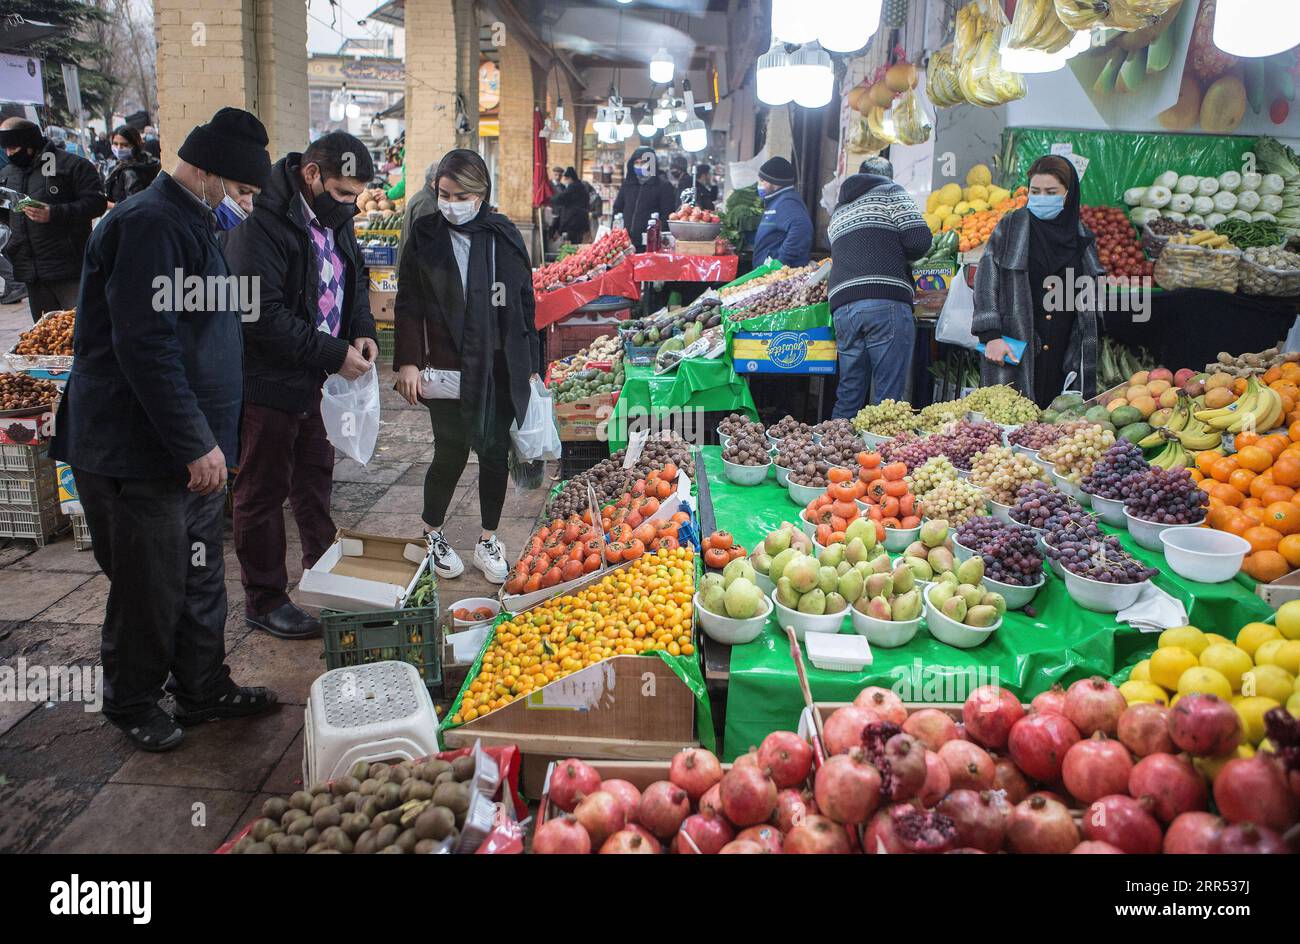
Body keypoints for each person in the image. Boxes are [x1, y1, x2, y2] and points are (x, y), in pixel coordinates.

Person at [49, 107, 276, 752]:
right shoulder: (149, 224)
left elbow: (206, 333)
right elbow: (145, 346)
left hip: (192, 451)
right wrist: (194, 441)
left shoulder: (197, 222)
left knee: (198, 572)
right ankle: (131, 701)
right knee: (149, 583)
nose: (247, 206)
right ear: (203, 171)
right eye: (242, 191)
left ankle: (203, 687)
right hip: (138, 451)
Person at [222, 132, 378, 641]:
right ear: (312, 175)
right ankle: (264, 599)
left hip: (319, 384)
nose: (349, 206)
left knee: (314, 483)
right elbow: (259, 317)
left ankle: (322, 576)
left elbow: (354, 279)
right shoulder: (260, 230)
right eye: (341, 193)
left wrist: (362, 331)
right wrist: (334, 354)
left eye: (355, 196)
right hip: (269, 386)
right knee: (262, 491)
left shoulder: (337, 220)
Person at [392, 149, 541, 584]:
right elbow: (409, 302)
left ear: (480, 195)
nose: (450, 202)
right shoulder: (425, 233)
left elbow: (524, 304)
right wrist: (407, 362)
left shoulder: (504, 234)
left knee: (495, 454)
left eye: (460, 194)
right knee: (450, 452)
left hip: (498, 368)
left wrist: (530, 363)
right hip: (445, 362)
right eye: (443, 193)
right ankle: (432, 533)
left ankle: (488, 539)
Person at [973, 155, 1103, 406]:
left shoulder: (1081, 237)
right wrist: (990, 336)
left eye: (1051, 191)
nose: (1042, 197)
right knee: (1010, 417)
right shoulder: (1011, 228)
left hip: (1063, 349)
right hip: (1015, 342)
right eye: (1035, 191)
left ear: (1068, 193)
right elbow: (987, 278)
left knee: (1058, 423)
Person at [827, 156, 932, 416]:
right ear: (889, 176)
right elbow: (920, 240)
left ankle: (833, 451)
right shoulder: (890, 191)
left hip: (843, 308)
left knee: (849, 391)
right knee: (887, 399)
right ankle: (878, 455)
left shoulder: (839, 210)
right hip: (884, 302)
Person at [0, 118, 107, 322]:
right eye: (6, 149)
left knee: (80, 329)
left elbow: (96, 203)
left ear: (29, 144)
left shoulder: (72, 166)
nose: (9, 154)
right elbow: (10, 214)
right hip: (31, 271)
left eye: (13, 148)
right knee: (44, 335)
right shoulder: (8, 174)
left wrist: (54, 213)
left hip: (69, 267)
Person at [612, 146, 678, 251]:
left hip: (650, 243)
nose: (639, 166)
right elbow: (617, 208)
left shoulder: (663, 186)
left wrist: (658, 237)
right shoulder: (628, 184)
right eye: (636, 163)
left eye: (643, 162)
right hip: (625, 243)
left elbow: (667, 214)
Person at [752, 156, 812, 268]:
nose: (759, 185)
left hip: (776, 274)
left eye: (762, 181)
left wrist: (780, 262)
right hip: (766, 272)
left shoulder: (787, 203)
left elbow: (802, 228)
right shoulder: (775, 201)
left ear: (775, 183)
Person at [103, 125, 161, 207]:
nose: (119, 148)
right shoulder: (143, 161)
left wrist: (109, 205)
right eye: (115, 144)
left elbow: (134, 205)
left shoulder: (130, 172)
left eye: (125, 145)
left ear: (135, 145)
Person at [549, 167, 591, 244]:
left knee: (572, 245)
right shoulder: (580, 186)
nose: (565, 181)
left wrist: (549, 199)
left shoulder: (573, 187)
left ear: (570, 178)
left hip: (574, 222)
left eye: (565, 179)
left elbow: (562, 197)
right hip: (580, 222)